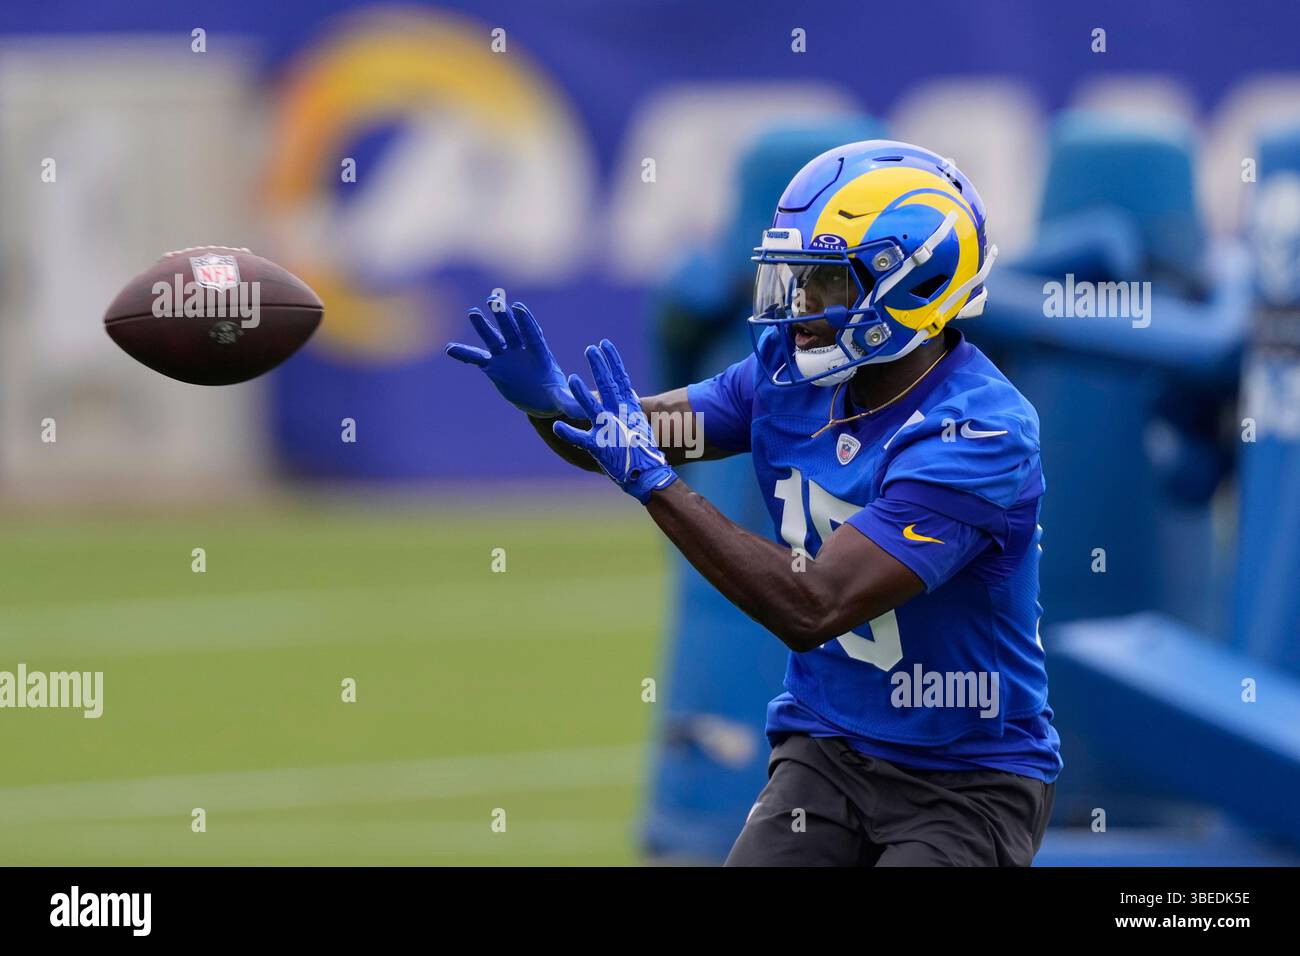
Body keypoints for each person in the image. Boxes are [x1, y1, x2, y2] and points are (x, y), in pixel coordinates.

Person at [446, 140, 1061, 866]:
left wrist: (656, 486)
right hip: (829, 747)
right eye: (795, 280)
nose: (798, 307)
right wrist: (552, 410)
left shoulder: (979, 429)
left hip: (966, 775)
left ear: (915, 281)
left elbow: (816, 606)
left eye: (824, 285)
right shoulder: (786, 374)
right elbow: (627, 439)